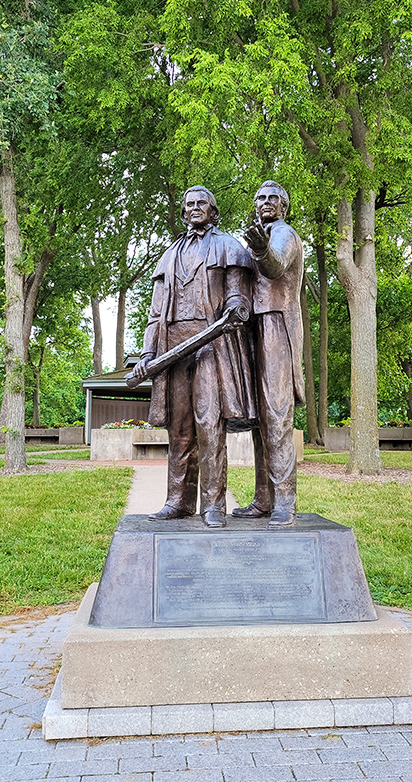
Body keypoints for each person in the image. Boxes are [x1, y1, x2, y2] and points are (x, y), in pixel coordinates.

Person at [129, 186, 256, 528]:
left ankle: (213, 504)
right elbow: (155, 313)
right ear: (183, 212)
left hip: (212, 345)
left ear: (213, 211)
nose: (195, 208)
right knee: (179, 429)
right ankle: (178, 501)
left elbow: (238, 296)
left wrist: (234, 309)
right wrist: (148, 352)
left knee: (209, 424)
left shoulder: (229, 247)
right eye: (189, 204)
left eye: (202, 203)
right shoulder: (168, 256)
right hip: (173, 347)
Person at [232, 181, 304, 527]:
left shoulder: (284, 233)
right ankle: (264, 498)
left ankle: (284, 501)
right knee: (259, 417)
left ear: (284, 206)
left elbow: (274, 268)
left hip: (277, 321)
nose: (264, 202)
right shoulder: (256, 237)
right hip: (253, 326)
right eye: (259, 197)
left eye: (272, 198)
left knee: (276, 414)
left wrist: (259, 249)